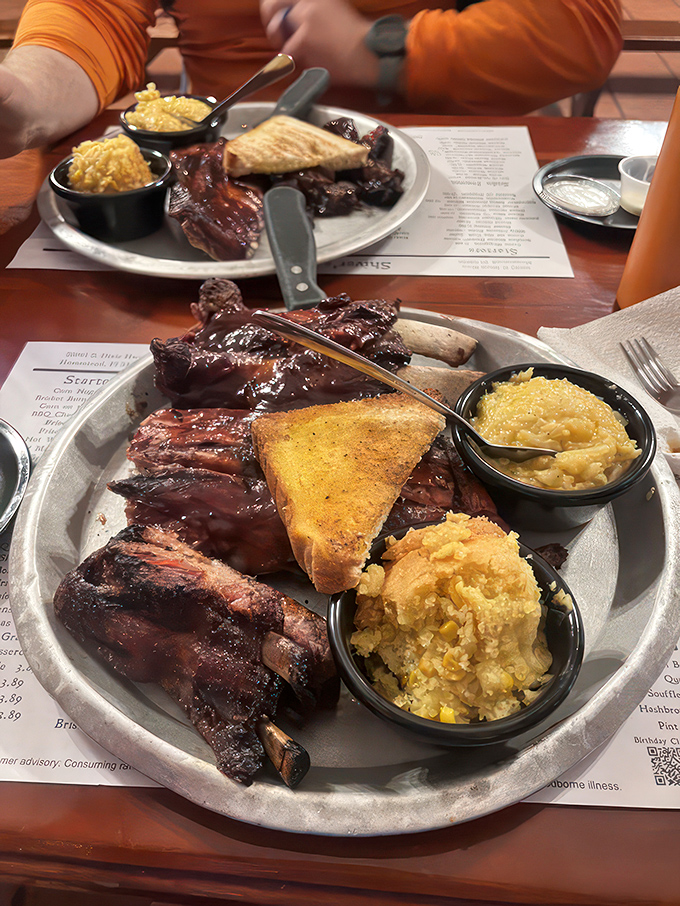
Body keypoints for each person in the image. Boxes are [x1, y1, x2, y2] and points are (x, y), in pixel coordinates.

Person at [1, 0, 622, 159]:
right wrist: (24, 94)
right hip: (219, 159)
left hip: (447, 158)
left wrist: (380, 50)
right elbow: (93, 15)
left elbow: (578, 32)